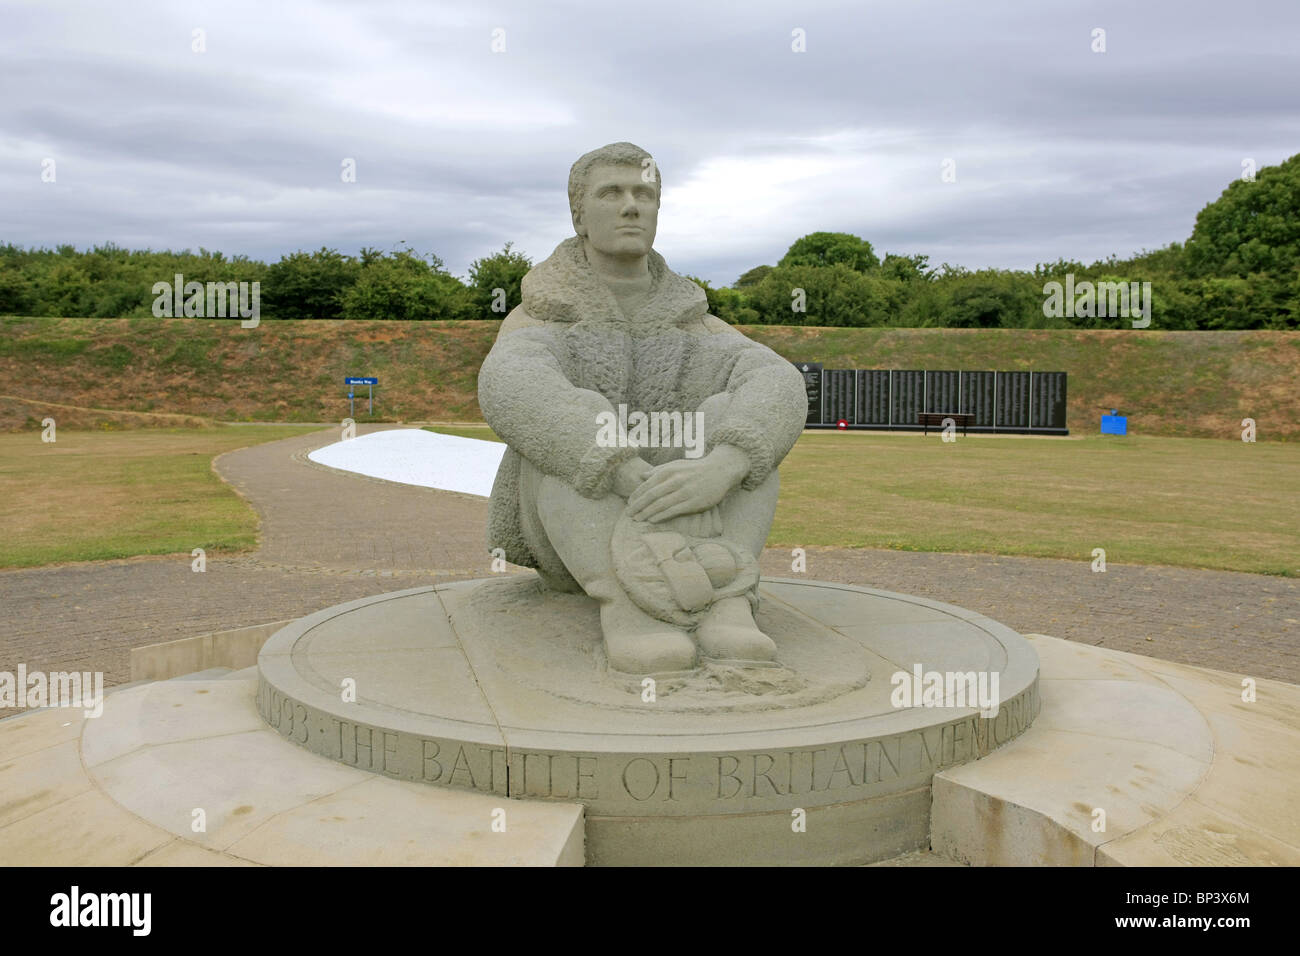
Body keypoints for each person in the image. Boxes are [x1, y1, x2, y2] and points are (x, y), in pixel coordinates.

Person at [478, 142, 808, 674]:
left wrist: (722, 467)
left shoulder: (695, 323)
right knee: (570, 433)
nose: (631, 206)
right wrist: (627, 471)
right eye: (611, 193)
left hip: (696, 525)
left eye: (644, 194)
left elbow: (776, 380)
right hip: (573, 534)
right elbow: (512, 385)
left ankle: (727, 598)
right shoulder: (538, 317)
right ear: (579, 216)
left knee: (742, 432)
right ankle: (629, 607)